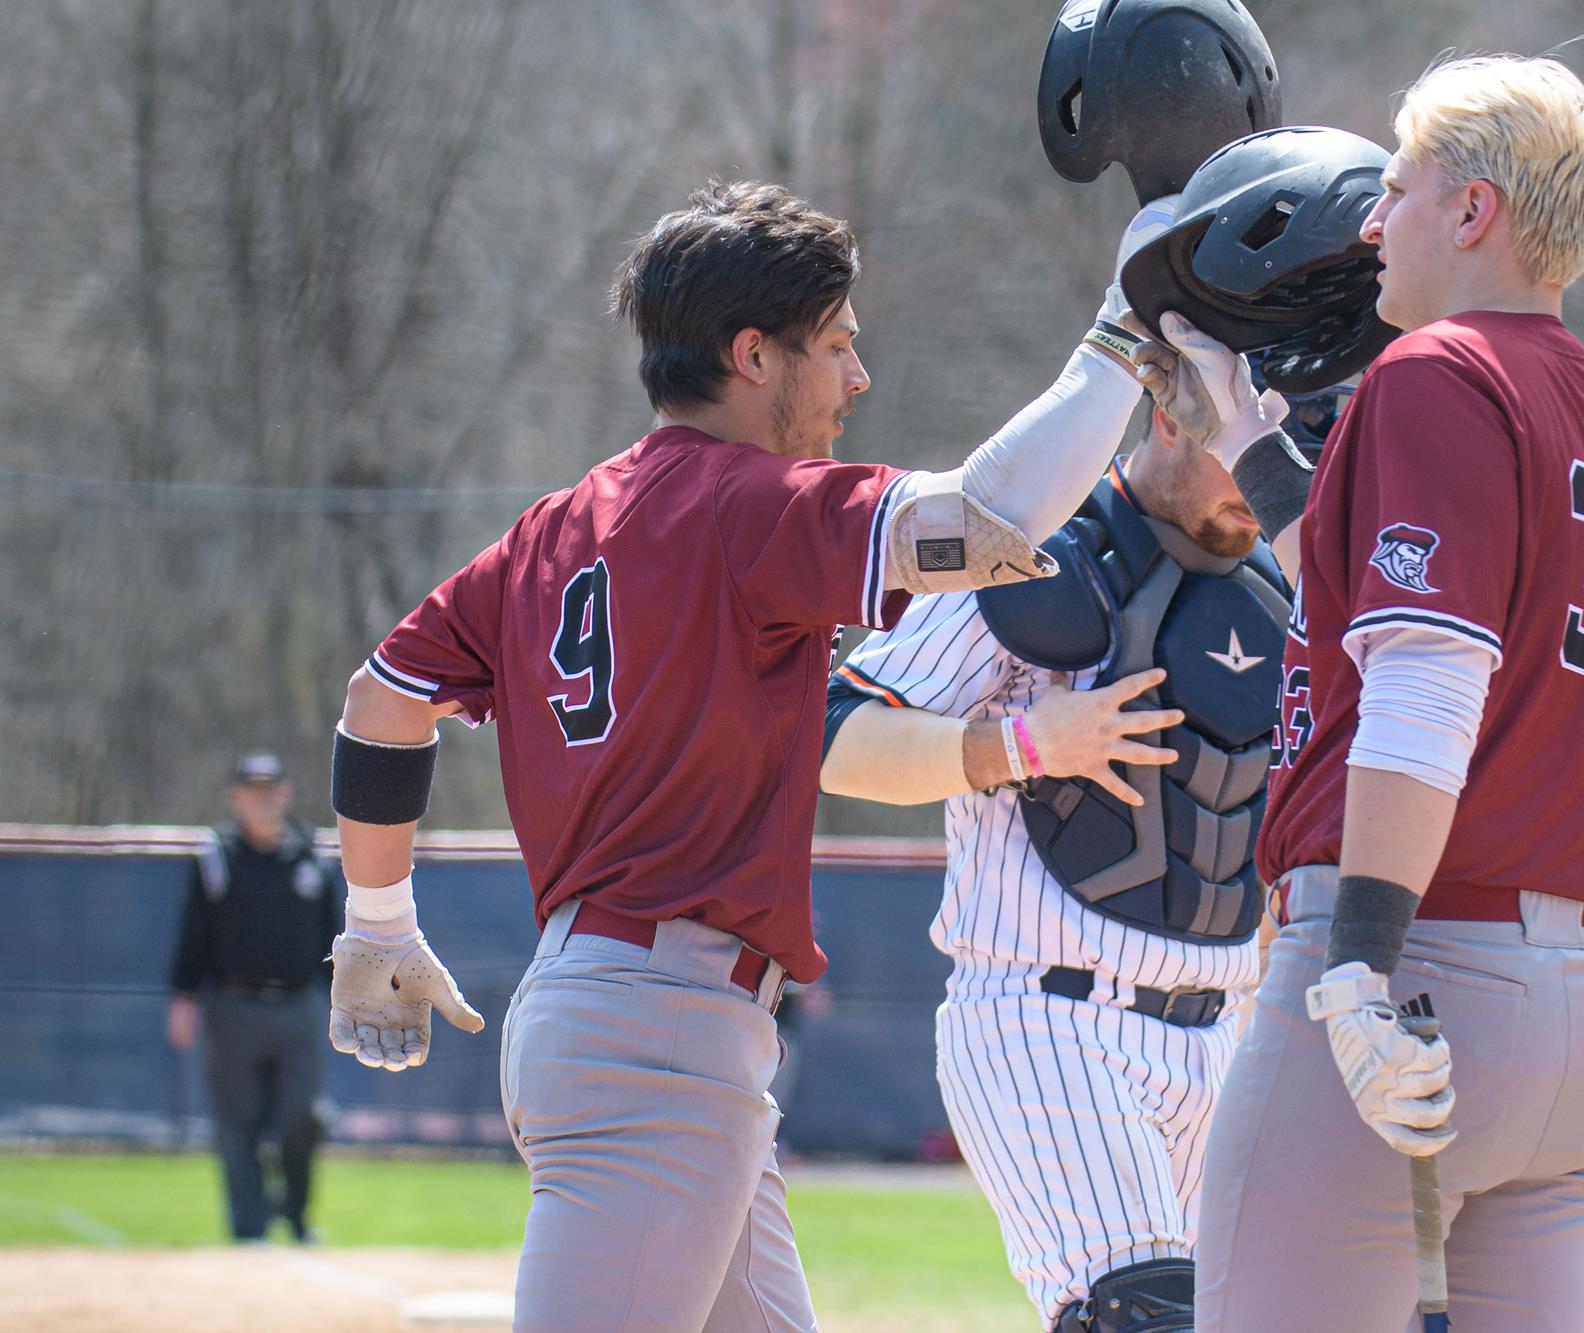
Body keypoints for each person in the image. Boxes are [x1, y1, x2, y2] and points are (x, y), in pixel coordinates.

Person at [321, 179, 1179, 1331]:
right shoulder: (749, 505)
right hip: (656, 1035)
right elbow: (991, 521)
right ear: (752, 356)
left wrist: (379, 921)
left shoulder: (554, 526)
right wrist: (1124, 331)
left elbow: (383, 699)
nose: (856, 379)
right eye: (834, 346)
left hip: (638, 1020)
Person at [1134, 53, 1584, 1330]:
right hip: (1567, 1006)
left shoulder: (1436, 373)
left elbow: (1424, 687)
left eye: (1402, 189)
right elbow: (1361, 579)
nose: (1371, 221)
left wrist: (1356, 971)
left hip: (1404, 963)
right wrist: (1246, 437)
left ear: (1472, 213)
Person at [821, 380, 1332, 1329]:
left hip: (1228, 1036)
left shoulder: (1278, 578)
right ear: (1173, 414)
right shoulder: (1038, 554)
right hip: (1052, 1020)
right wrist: (1021, 743)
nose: (1270, 480)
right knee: (1138, 1316)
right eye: (1248, 445)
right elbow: (832, 731)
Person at [167, 753, 338, 1243]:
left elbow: (335, 940)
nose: (263, 796)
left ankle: (297, 1216)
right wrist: (182, 996)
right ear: (235, 796)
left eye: (271, 786)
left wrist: (341, 1004)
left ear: (285, 793)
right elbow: (193, 933)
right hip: (232, 1004)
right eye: (252, 787)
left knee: (301, 1117)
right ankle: (249, 1227)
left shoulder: (311, 855)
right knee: (236, 1122)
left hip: (299, 1005)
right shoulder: (217, 856)